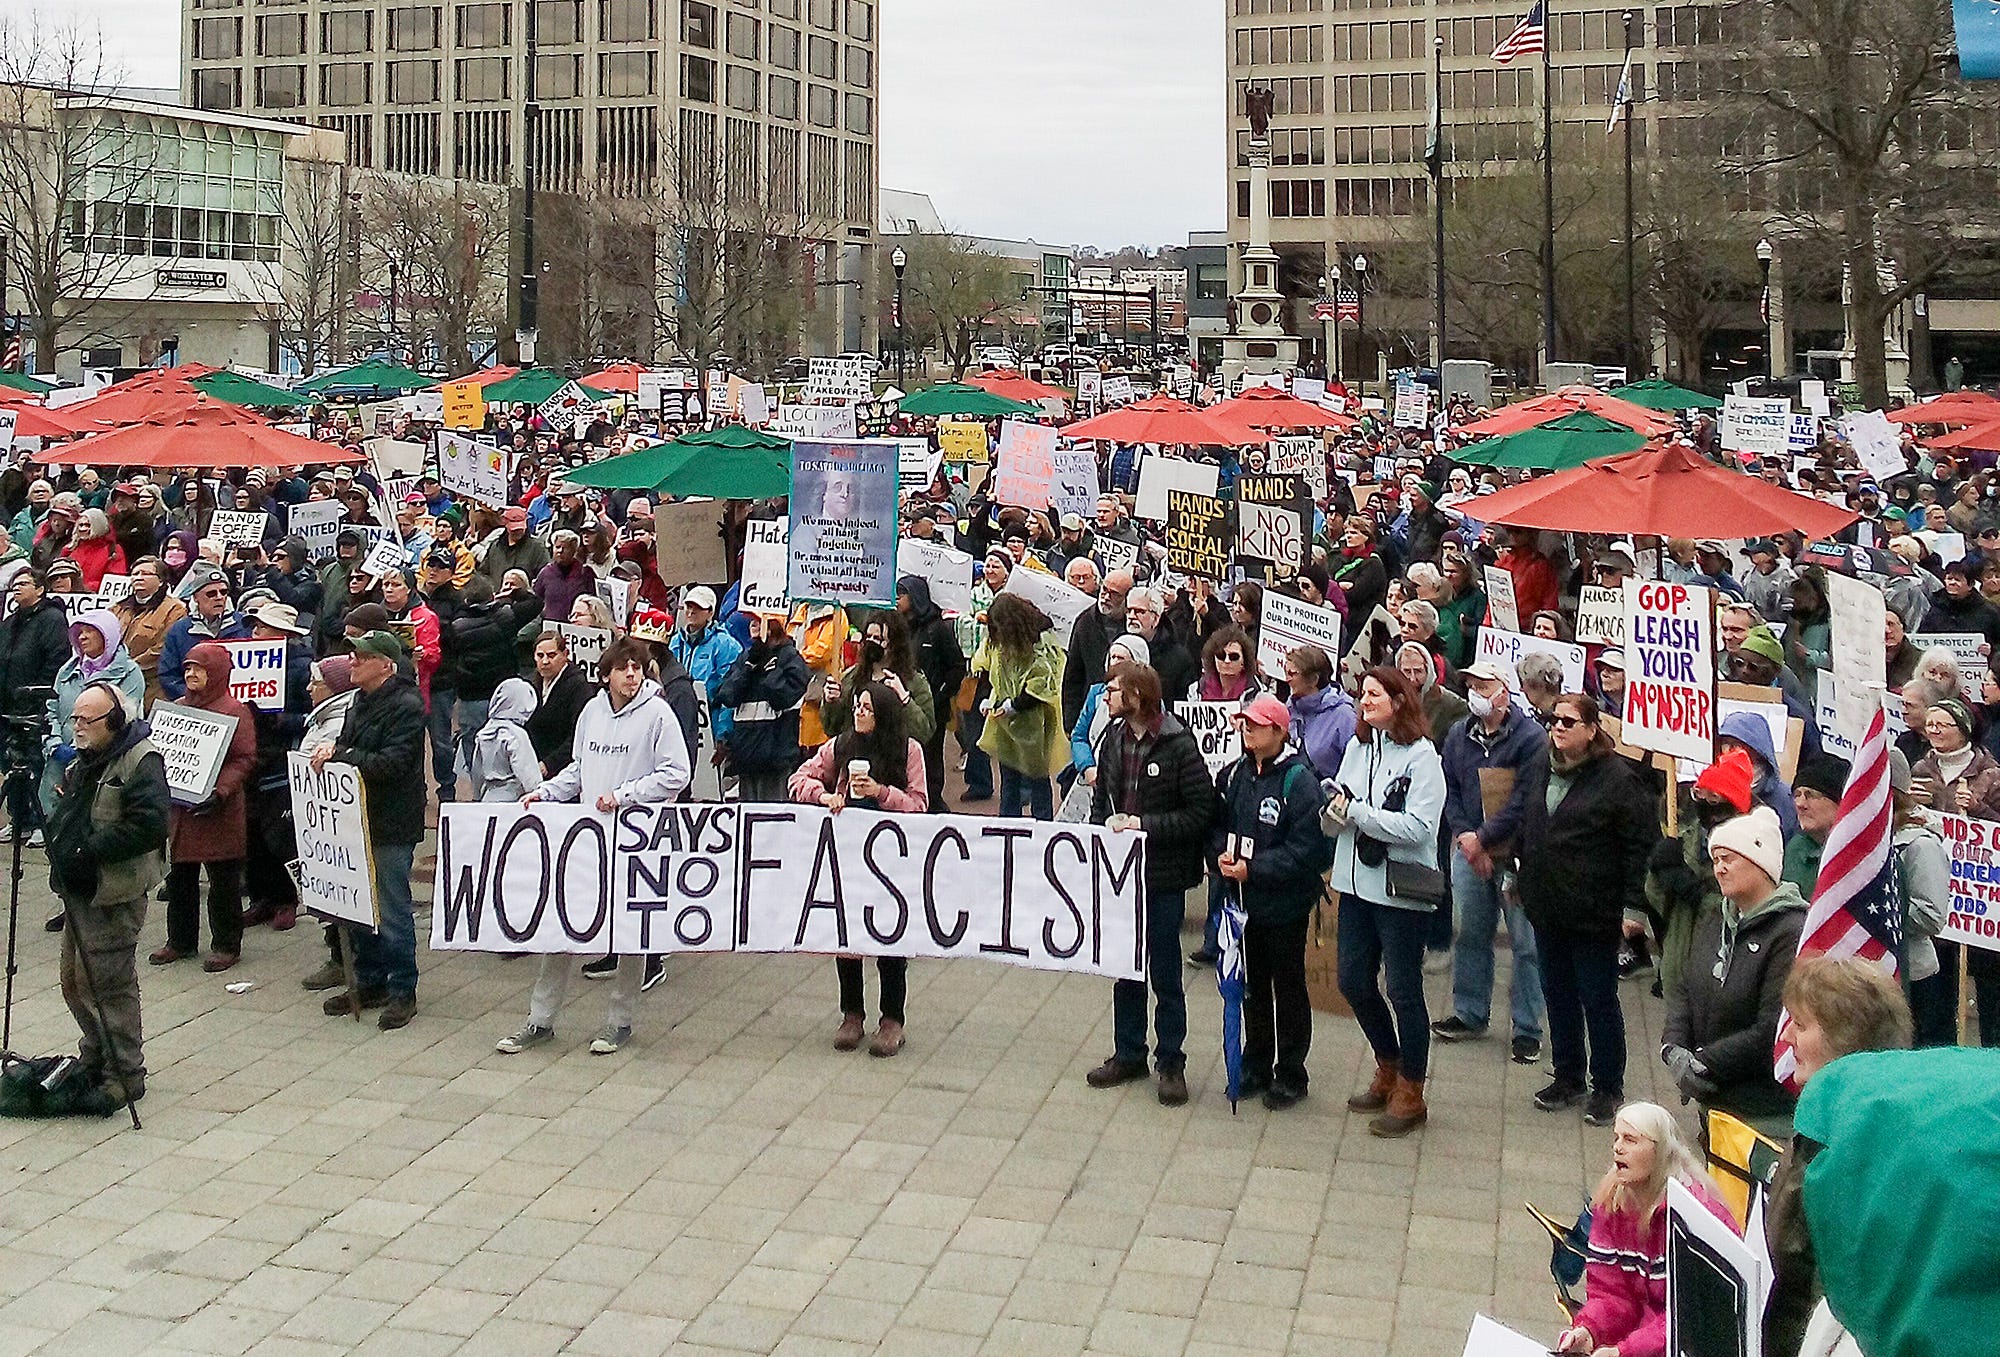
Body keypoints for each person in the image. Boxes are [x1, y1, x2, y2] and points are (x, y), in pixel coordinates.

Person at [500, 636, 692, 1056]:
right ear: (606, 676)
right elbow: (580, 768)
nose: (631, 675)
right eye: (623, 668)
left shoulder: (658, 714)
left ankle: (620, 1021)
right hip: (591, 840)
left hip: (638, 841)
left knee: (630, 934)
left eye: (637, 668)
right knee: (562, 927)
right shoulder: (592, 712)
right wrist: (546, 793)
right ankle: (539, 1019)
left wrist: (624, 796)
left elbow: (677, 773)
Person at [1761, 958, 1913, 1357]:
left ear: (1844, 1039)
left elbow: (1824, 1291)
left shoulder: (1849, 1148)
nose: (1786, 1036)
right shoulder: (1828, 1122)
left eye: (1800, 1025)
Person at [1516, 694, 1657, 1125]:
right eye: (1554, 720)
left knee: (1597, 1000)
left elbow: (1639, 846)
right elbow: (1528, 820)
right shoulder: (1542, 765)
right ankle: (1568, 1076)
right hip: (1547, 906)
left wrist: (1634, 907)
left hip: (1593, 911)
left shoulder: (1618, 780)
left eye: (1568, 721)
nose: (1558, 728)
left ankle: (1608, 1087)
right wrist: (1515, 872)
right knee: (1557, 995)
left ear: (1592, 729)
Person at [1086, 663, 1217, 1106]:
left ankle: (1171, 1061)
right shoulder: (1113, 739)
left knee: (1165, 971)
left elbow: (1199, 812)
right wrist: (1101, 835)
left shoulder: (1178, 745)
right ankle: (1128, 1053)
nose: (1106, 696)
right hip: (1120, 876)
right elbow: (1101, 800)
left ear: (1137, 695)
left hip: (1162, 876)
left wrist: (1144, 825)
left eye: (1113, 690)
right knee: (1124, 967)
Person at [1326, 667, 1447, 1138]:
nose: (1365, 701)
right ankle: (1388, 1063)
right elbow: (1340, 804)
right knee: (1352, 981)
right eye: (1362, 694)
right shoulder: (1357, 748)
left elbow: (1419, 827)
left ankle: (1411, 1090)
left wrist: (1357, 813)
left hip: (1400, 891)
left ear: (1398, 701)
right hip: (1356, 885)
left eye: (1374, 694)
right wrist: (1332, 812)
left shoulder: (1422, 758)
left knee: (1403, 989)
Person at [42, 682, 170, 1108]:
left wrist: (89, 849)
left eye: (86, 719)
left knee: (108, 985)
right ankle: (95, 1054)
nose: (77, 727)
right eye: (74, 718)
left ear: (114, 720)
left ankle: (125, 1073)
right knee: (74, 982)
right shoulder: (87, 759)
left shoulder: (141, 760)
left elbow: (150, 825)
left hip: (113, 892)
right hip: (80, 890)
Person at [788, 681, 928, 1057]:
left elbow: (919, 805)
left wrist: (881, 793)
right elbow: (799, 779)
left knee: (891, 937)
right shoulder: (841, 746)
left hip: (892, 860)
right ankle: (852, 1014)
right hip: (849, 854)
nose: (859, 713)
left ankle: (892, 1019)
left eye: (866, 708)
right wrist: (825, 795)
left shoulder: (908, 750)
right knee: (847, 936)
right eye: (856, 707)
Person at [1212, 693, 1333, 1109]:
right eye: (1245, 723)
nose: (1247, 730)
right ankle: (1256, 1064)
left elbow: (1307, 850)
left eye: (1257, 724)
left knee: (1288, 987)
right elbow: (1217, 825)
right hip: (1243, 904)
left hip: (1285, 906)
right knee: (1252, 987)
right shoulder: (1235, 774)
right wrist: (1220, 856)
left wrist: (1255, 869)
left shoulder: (1299, 782)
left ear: (1279, 731)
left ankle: (1292, 1073)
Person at [1661, 805, 1807, 1130]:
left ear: (1760, 863)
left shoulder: (1790, 931)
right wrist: (1673, 1047)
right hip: (1713, 1097)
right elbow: (1686, 988)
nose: (1720, 869)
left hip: (1761, 1109)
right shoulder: (1716, 918)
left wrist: (1703, 1062)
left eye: (1728, 859)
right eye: (1716, 860)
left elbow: (1773, 1025)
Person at [310, 631, 428, 1030]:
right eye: (353, 655)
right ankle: (370, 981)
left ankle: (403, 991)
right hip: (357, 819)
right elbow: (349, 745)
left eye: (362, 657)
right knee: (360, 907)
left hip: (391, 822)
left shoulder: (407, 706)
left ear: (386, 666)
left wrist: (343, 755)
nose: (353, 662)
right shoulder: (358, 701)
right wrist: (335, 753)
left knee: (392, 909)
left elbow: (392, 764)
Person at [1554, 1103, 1738, 1357]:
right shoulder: (1611, 1204)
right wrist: (1589, 1330)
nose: (1617, 1148)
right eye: (1616, 1138)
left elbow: (1688, 1320)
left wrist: (1623, 1352)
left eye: (1630, 1140)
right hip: (1648, 1337)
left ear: (1660, 1151)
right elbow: (1611, 1293)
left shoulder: (1697, 1219)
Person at [1436, 661, 1549, 1063]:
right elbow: (1450, 787)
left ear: (1504, 691)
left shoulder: (1531, 738)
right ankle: (1469, 1012)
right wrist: (1467, 837)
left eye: (1484, 686)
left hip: (1517, 855)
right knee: (1470, 933)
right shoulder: (1458, 734)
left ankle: (1527, 1028)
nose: (1476, 694)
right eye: (1471, 685)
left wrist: (1482, 839)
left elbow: (1524, 800)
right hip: (1469, 850)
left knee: (1526, 945)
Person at [150, 643, 257, 972]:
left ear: (217, 673)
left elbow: (244, 758)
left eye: (199, 668)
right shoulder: (177, 708)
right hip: (183, 813)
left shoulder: (234, 711)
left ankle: (226, 944)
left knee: (223, 883)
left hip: (218, 811)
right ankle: (180, 940)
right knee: (180, 879)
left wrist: (220, 790)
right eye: (187, 668)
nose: (191, 674)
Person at [973, 592, 1066, 820]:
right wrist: (987, 699)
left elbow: (1043, 682)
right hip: (1004, 718)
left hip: (1034, 719)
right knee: (1008, 776)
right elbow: (988, 668)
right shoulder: (999, 641)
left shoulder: (1040, 641)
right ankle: (1008, 823)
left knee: (1037, 775)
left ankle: (1042, 824)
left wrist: (1016, 704)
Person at [0, 568, 73, 845]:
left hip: (33, 705)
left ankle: (38, 819)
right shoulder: (11, 621)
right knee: (11, 762)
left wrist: (36, 695)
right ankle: (18, 819)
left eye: (23, 583)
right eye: (14, 584)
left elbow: (56, 659)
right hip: (7, 704)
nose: (16, 588)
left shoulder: (52, 619)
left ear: (40, 589)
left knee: (34, 764)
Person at [716, 612, 812, 803]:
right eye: (752, 620)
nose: (753, 623)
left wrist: (770, 673)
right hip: (746, 755)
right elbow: (727, 695)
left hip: (776, 759)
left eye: (760, 620)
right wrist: (749, 667)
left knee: (774, 816)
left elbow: (784, 697)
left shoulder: (791, 658)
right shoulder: (747, 657)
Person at [896, 574, 968, 812]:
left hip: (933, 709)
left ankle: (933, 804)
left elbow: (956, 667)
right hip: (901, 704)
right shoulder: (898, 628)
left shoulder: (937, 629)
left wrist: (940, 694)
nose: (897, 598)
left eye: (902, 593)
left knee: (930, 758)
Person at [1061, 567, 1132, 730]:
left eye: (1114, 594)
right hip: (1091, 711)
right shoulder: (1085, 622)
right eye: (1104, 590)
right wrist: (1070, 723)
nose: (1106, 597)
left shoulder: (1135, 626)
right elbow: (1073, 675)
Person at [1911, 694, 2000, 818]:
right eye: (1930, 725)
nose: (1934, 730)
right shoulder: (1921, 769)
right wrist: (1909, 802)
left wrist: (1976, 808)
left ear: (1963, 731)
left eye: (1942, 725)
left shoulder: (1991, 774)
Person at [1282, 643, 1357, 782]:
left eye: (1292, 673)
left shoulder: (1344, 715)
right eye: (1285, 672)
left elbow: (1356, 767)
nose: (1287, 679)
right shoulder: (1289, 708)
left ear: (1313, 680)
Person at [526, 628, 593, 778]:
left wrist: (549, 764)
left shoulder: (579, 686)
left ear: (565, 654)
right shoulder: (531, 684)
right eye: (540, 656)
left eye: (551, 655)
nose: (545, 661)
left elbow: (578, 735)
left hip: (563, 772)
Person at [462, 677, 542, 802]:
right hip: (513, 797)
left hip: (488, 796)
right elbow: (528, 773)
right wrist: (539, 794)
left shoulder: (484, 732)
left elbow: (477, 771)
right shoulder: (516, 735)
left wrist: (477, 797)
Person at [1122, 587, 1197, 708]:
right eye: (1128, 610)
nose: (1131, 616)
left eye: (1139, 611)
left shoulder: (1179, 658)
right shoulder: (1117, 648)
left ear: (1156, 618)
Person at [1185, 624, 1263, 705]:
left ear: (1244, 661)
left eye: (1234, 657)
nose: (1227, 661)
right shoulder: (1196, 690)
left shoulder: (1257, 694)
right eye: (1221, 656)